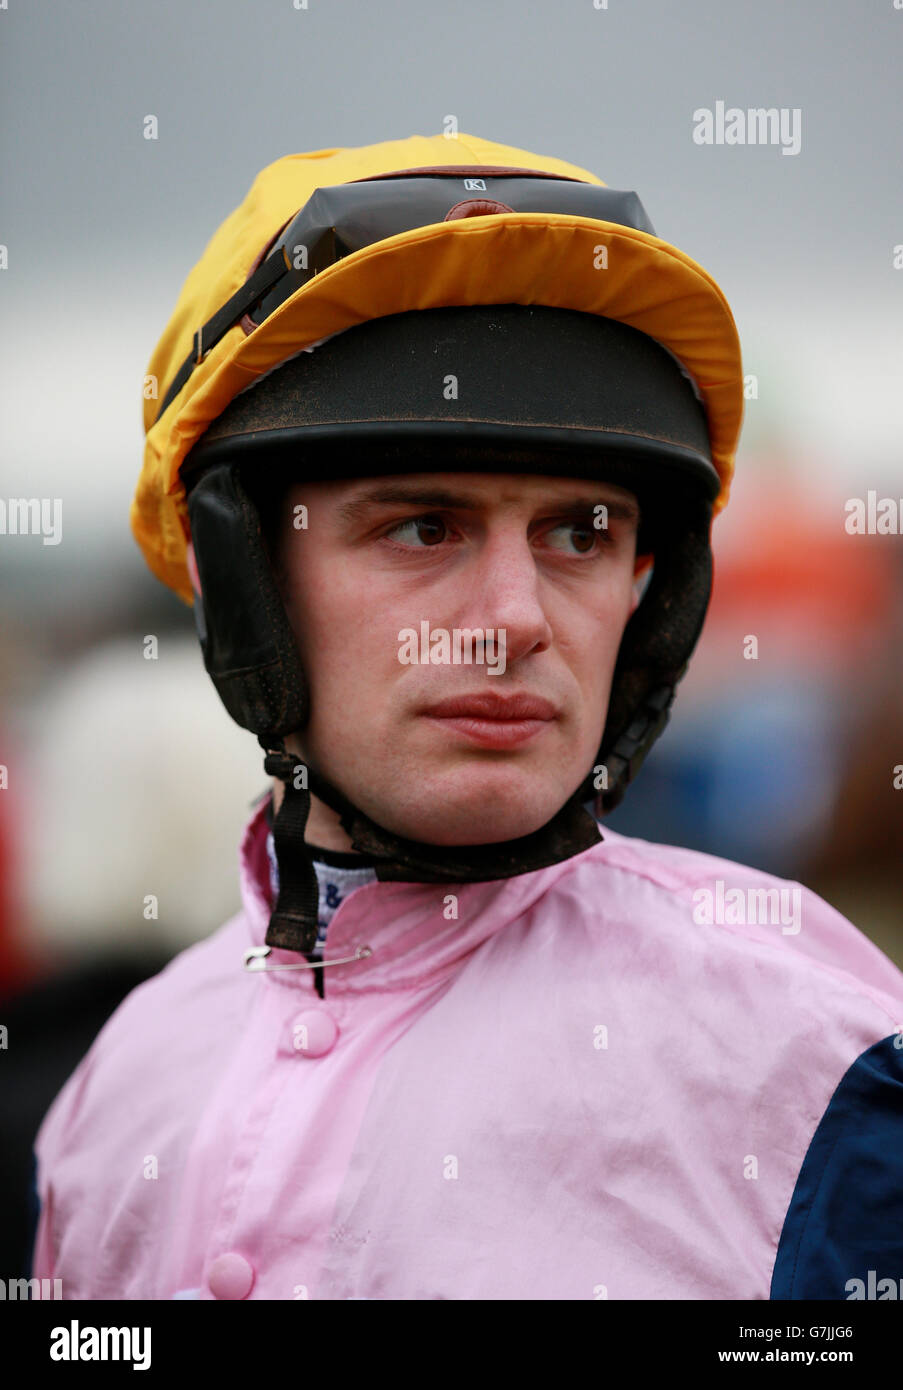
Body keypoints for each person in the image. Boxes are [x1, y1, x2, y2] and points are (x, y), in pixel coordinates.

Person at [28, 132, 903, 1301]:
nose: (513, 619)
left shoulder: (821, 1056)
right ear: (245, 586)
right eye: (423, 527)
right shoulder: (117, 1085)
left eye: (581, 532)